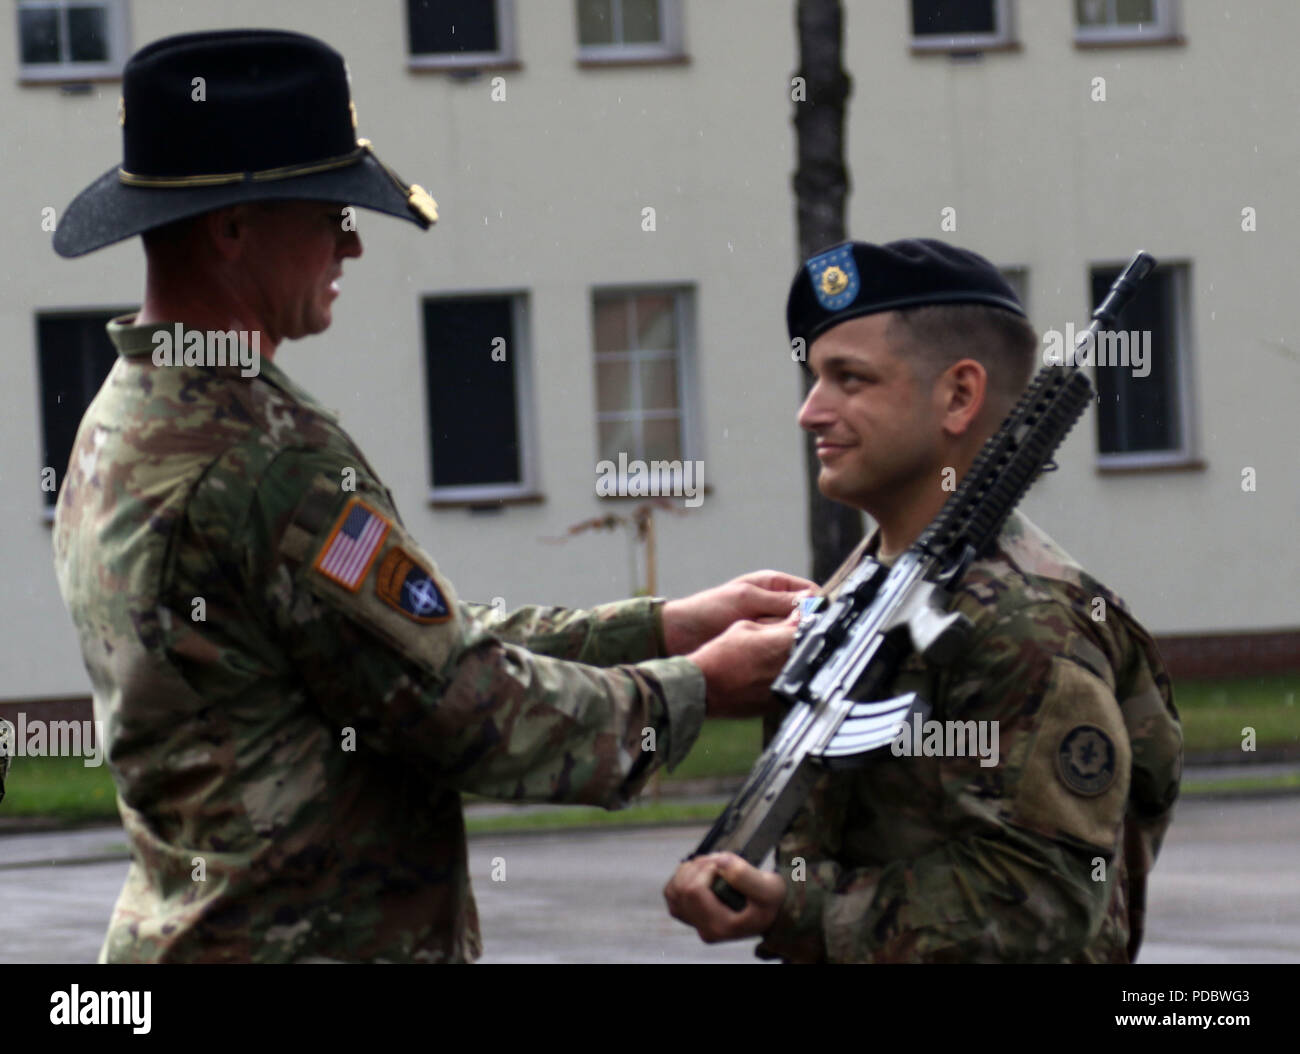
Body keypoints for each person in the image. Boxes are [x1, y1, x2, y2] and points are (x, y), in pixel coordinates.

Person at [50, 29, 811, 963]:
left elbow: (399, 645)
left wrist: (665, 628)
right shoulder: (264, 458)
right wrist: (706, 685)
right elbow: (468, 708)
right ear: (233, 228)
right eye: (330, 211)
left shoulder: (132, 415)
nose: (353, 242)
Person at [664, 239, 1183, 963]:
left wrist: (803, 913)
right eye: (814, 379)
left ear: (960, 396)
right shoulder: (865, 581)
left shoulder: (1025, 621)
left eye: (850, 379)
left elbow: (1047, 903)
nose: (810, 413)